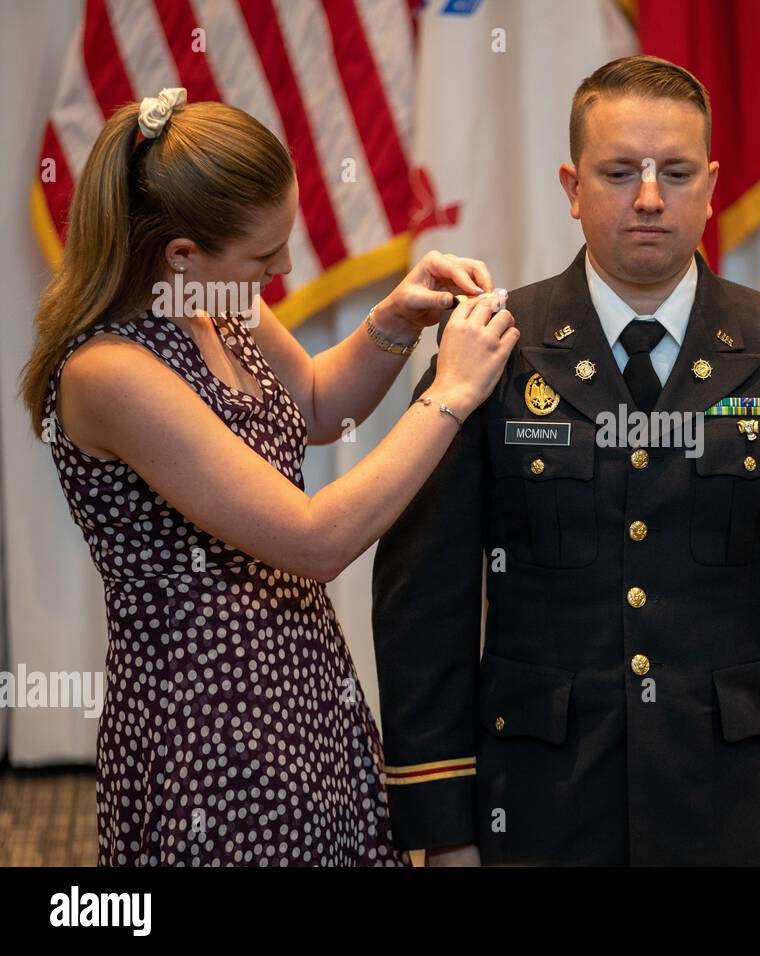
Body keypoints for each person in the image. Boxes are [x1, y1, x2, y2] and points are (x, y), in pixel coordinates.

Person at [372, 56, 760, 867]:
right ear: (572, 187)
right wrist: (443, 829)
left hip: (740, 798)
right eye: (619, 172)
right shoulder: (491, 348)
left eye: (675, 172)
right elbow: (424, 599)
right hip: (538, 799)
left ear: (712, 184)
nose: (649, 198)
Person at [19, 90, 518, 866]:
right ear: (180, 253)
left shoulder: (215, 300)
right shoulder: (110, 373)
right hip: (212, 728)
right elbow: (315, 540)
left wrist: (393, 321)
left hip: (304, 687)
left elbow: (316, 402)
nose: (284, 267)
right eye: (263, 256)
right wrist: (451, 396)